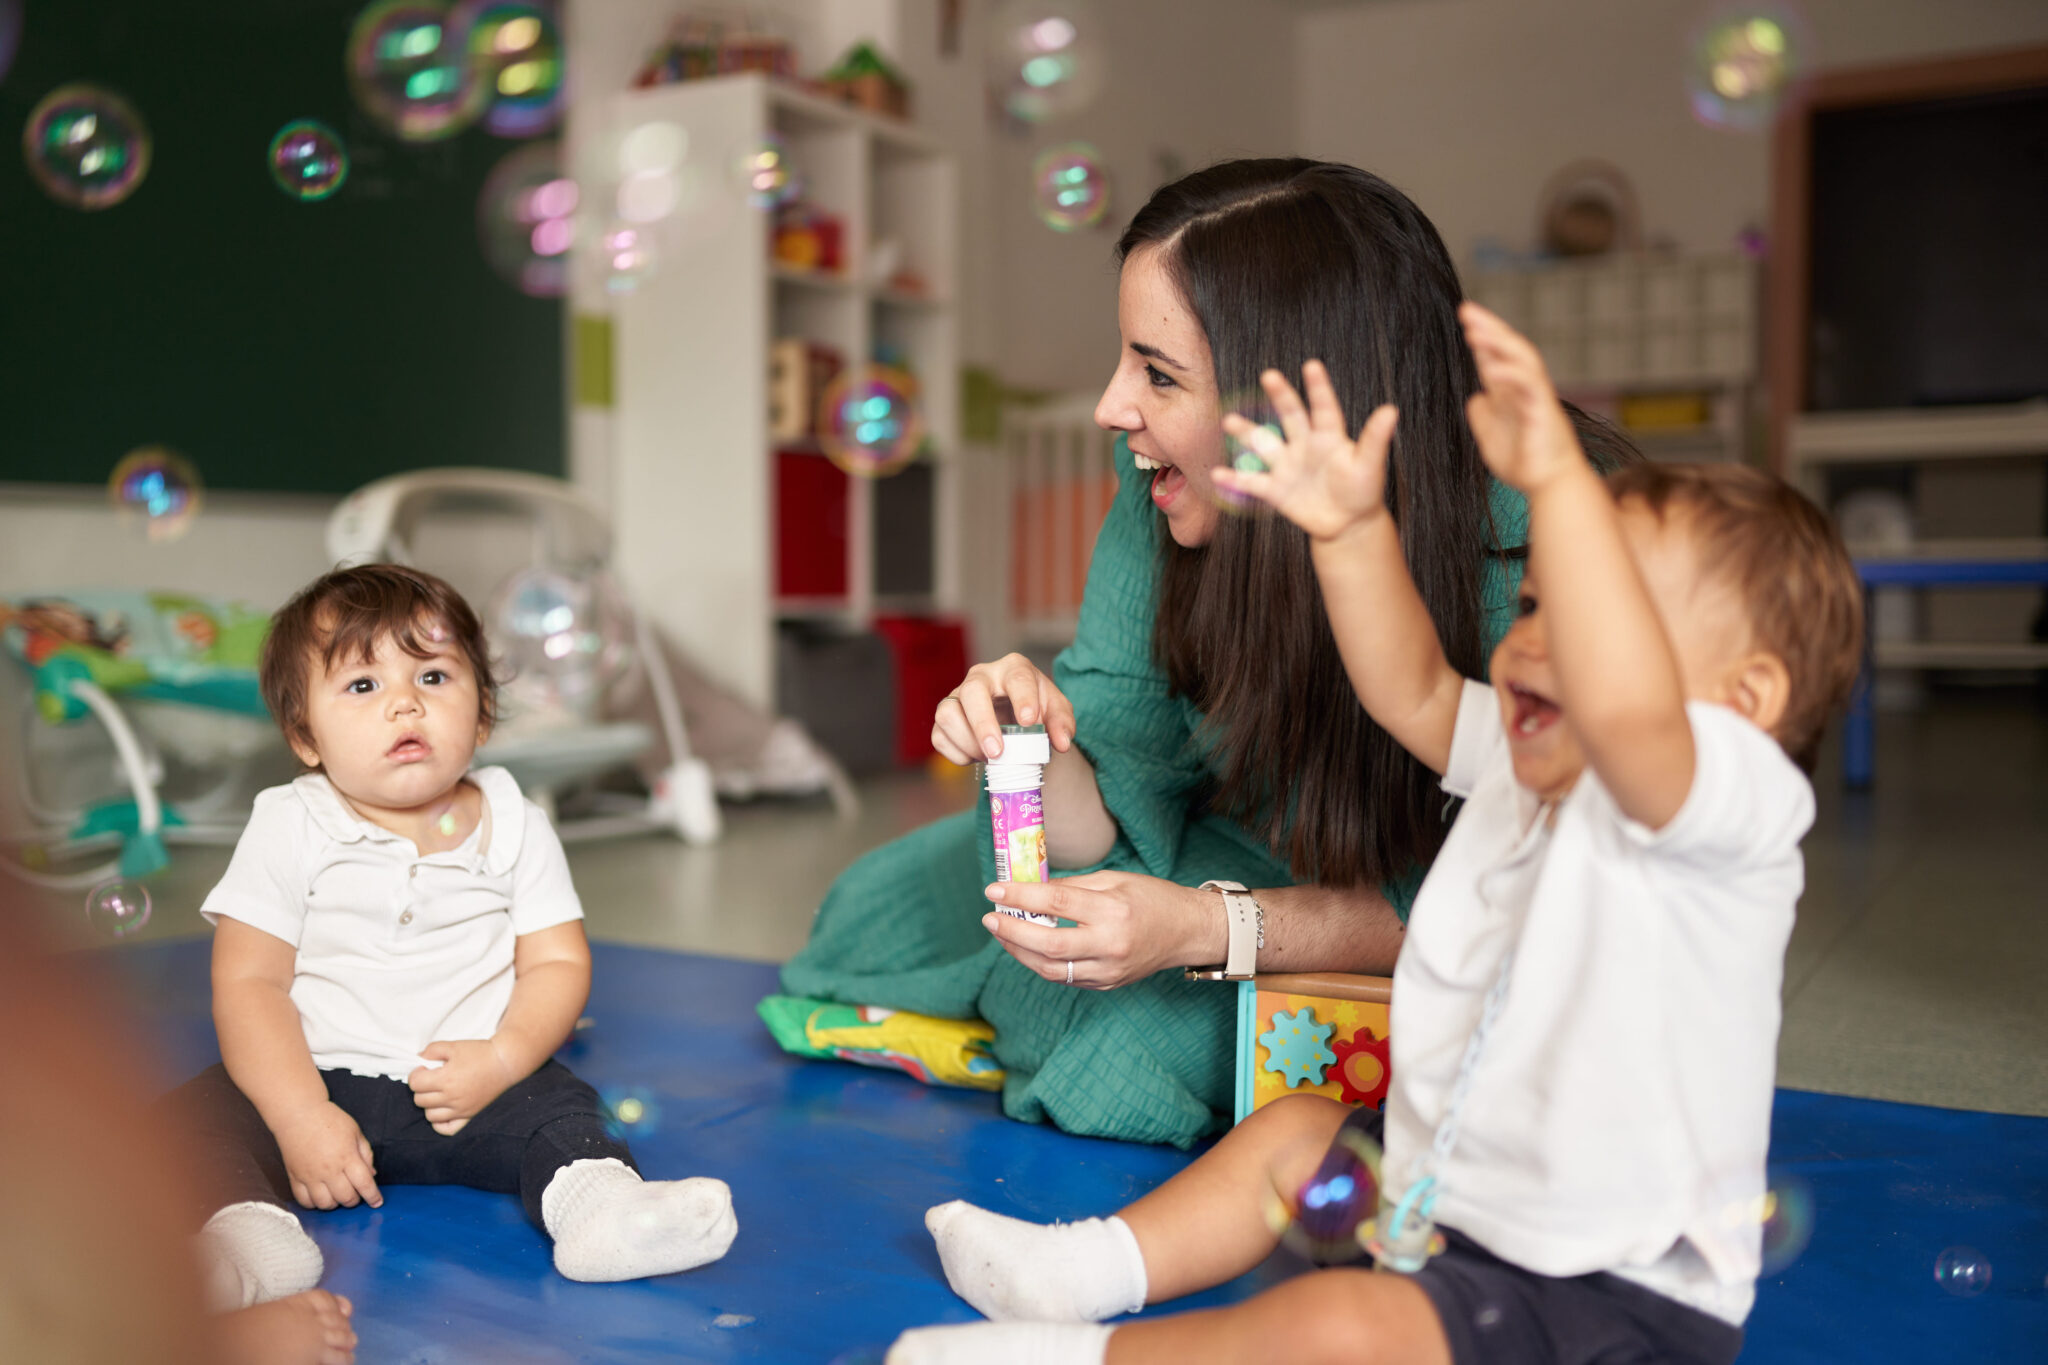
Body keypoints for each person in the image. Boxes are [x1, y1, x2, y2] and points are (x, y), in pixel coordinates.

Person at [883, 304, 1863, 1365]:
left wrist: (1565, 485)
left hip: (1596, 1293)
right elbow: (1410, 687)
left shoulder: (1726, 812)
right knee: (1296, 1134)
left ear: (1745, 697)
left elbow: (1634, 720)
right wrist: (1347, 534)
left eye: (1596, 613)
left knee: (1340, 1329)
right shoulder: (1529, 761)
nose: (1532, 643)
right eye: (1533, 604)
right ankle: (1079, 1271)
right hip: (1441, 1192)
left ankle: (1076, 1360)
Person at [783, 159, 1637, 1146]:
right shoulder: (1157, 485)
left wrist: (1204, 930)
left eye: (1156, 374)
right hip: (1219, 840)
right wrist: (1032, 744)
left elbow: (1505, 897)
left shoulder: (1535, 547)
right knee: (866, 913)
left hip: (1431, 916)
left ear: (1288, 400)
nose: (1110, 407)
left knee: (1107, 1053)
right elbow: (1120, 774)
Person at [164, 564, 739, 1318]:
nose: (405, 701)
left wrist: (501, 1058)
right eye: (363, 686)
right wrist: (298, 1113)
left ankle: (602, 1214)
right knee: (193, 1120)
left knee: (566, 1112)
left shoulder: (516, 820)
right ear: (304, 734)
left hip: (470, 1084)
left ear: (484, 713)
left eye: (433, 675)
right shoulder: (288, 822)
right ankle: (249, 1239)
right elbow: (250, 983)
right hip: (317, 1074)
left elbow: (557, 961)